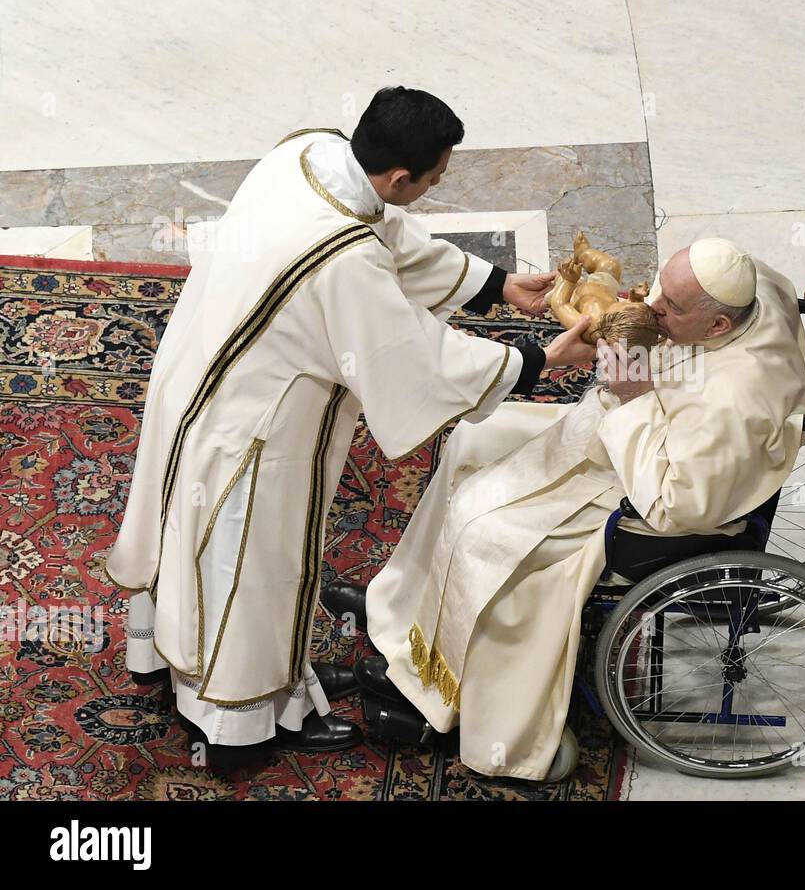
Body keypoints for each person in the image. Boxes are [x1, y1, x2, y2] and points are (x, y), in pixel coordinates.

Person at [106, 87, 594, 767]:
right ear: (401, 177)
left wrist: (497, 285)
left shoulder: (309, 153)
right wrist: (539, 359)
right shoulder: (342, 261)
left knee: (191, 536)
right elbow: (416, 361)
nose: (433, 188)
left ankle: (171, 659)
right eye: (434, 179)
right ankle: (242, 725)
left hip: (195, 367)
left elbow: (384, 233)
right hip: (257, 431)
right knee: (249, 565)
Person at [339, 240, 805, 782]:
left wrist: (633, 396)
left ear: (719, 327)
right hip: (622, 439)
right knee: (473, 440)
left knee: (483, 533)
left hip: (642, 500)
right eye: (662, 288)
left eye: (671, 309)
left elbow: (674, 507)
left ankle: (451, 707)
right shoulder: (760, 285)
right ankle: (404, 613)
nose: (654, 306)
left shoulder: (737, 398)